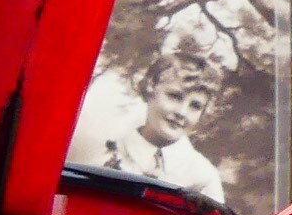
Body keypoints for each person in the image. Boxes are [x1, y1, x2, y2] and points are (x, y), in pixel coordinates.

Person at [69, 49, 228, 204]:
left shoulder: (203, 177)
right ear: (151, 86)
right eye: (174, 96)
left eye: (195, 106)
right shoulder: (103, 153)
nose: (182, 112)